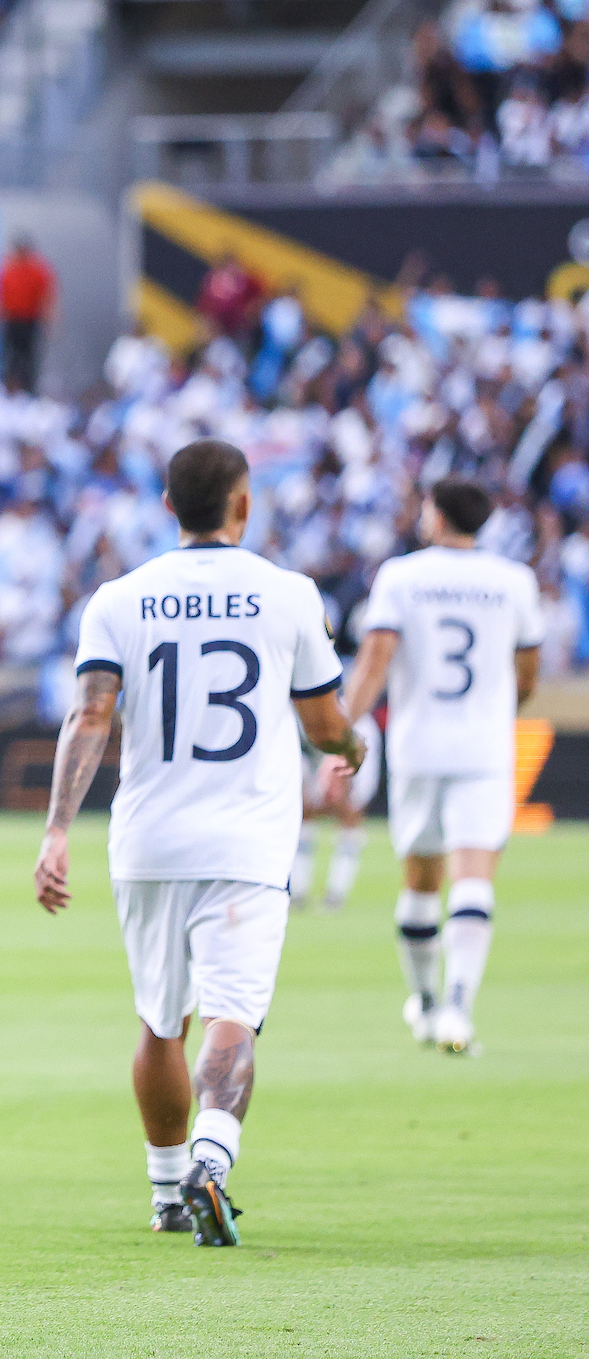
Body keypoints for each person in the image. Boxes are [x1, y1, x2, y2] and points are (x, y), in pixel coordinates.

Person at [35, 438, 364, 1248]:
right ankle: (211, 1162)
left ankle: (164, 1193)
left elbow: (89, 718)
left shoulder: (118, 597)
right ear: (244, 505)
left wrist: (54, 832)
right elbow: (323, 728)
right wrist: (353, 750)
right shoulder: (288, 594)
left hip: (148, 841)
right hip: (247, 844)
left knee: (160, 1024)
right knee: (232, 1019)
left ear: (167, 508)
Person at [336, 478, 542, 1055]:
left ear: (436, 515)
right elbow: (527, 675)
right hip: (483, 748)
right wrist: (499, 708)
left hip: (417, 746)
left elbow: (374, 664)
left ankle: (426, 1004)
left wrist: (342, 733)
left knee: (421, 882)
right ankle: (458, 1006)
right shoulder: (514, 582)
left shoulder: (402, 577)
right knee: (474, 877)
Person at [291, 709, 380, 912]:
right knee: (303, 810)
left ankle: (336, 893)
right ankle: (298, 890)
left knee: (350, 811)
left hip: (351, 725)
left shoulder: (362, 725)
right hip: (303, 725)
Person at [0, 234, 55, 393]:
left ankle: (28, 389)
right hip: (11, 319)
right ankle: (8, 388)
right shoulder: (8, 268)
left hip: (30, 319)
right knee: (9, 356)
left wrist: (48, 320)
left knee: (29, 357)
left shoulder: (37, 269)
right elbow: (0, 294)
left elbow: (46, 296)